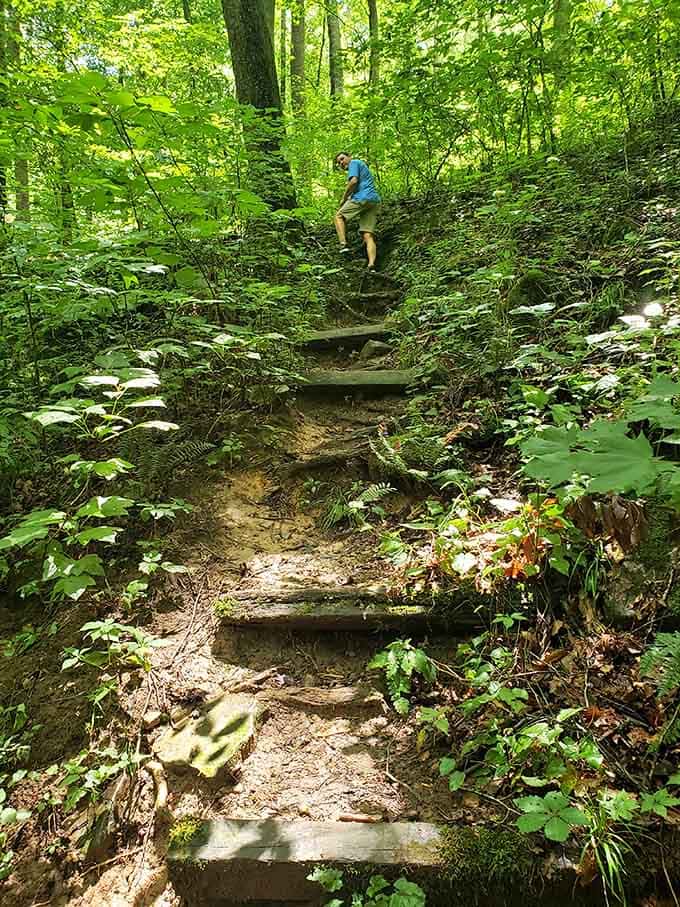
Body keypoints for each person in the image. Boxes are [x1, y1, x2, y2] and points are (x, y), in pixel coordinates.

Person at [334, 152, 381, 270]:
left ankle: (343, 245)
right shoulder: (361, 165)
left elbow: (353, 181)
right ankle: (371, 264)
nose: (341, 163)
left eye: (342, 159)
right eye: (339, 162)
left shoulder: (354, 163)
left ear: (349, 157)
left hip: (363, 198)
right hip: (373, 201)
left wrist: (343, 199)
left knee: (338, 216)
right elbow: (359, 184)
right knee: (367, 235)